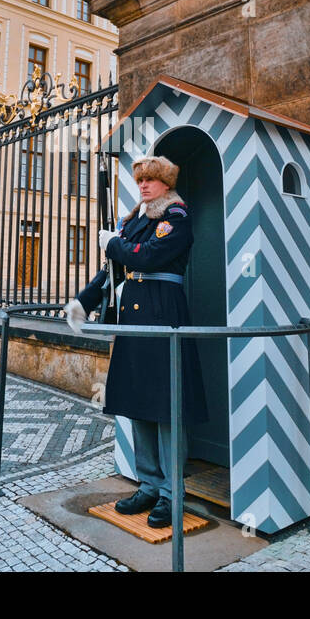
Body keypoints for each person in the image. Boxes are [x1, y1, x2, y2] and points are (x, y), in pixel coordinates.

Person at [65, 154, 207, 529]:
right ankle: (148, 484)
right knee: (141, 406)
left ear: (167, 184)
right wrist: (84, 301)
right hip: (134, 323)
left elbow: (146, 257)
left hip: (164, 317)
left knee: (167, 411)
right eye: (140, 180)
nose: (143, 185)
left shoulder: (176, 218)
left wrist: (113, 245)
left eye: (151, 180)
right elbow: (113, 271)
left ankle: (170, 494)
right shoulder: (133, 221)